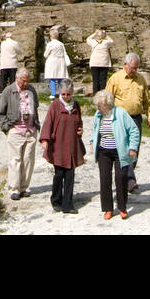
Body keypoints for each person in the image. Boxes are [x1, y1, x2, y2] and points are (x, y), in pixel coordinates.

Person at [90, 89, 140, 220]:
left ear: (107, 105)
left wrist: (133, 147)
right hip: (103, 151)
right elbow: (95, 130)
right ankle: (107, 209)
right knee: (105, 179)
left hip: (120, 151)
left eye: (100, 105)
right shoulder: (98, 115)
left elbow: (134, 130)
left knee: (121, 178)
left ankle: (122, 208)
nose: (98, 108)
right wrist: (92, 141)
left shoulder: (121, 113)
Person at [106, 53, 150, 192]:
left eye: (136, 68)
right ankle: (129, 180)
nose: (134, 70)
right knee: (123, 147)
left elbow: (147, 100)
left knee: (134, 148)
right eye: (132, 68)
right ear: (125, 65)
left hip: (136, 118)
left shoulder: (141, 79)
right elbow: (107, 99)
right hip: (119, 118)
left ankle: (126, 177)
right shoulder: (115, 78)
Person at [39, 77, 84, 214]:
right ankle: (56, 200)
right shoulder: (55, 105)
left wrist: (80, 130)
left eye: (68, 94)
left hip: (71, 145)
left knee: (70, 175)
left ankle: (68, 204)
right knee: (59, 174)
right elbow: (48, 123)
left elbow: (79, 122)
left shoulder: (76, 106)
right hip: (58, 145)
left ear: (72, 93)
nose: (66, 97)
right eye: (63, 94)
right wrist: (45, 140)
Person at [0, 67, 39, 200]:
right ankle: (14, 189)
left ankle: (24, 187)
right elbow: (0, 112)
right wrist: (7, 127)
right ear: (17, 79)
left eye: (27, 81)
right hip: (15, 130)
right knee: (15, 160)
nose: (26, 84)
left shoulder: (32, 90)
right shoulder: (8, 91)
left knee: (28, 160)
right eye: (24, 81)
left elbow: (35, 106)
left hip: (31, 130)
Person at [43, 26, 69, 99]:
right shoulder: (61, 44)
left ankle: (53, 93)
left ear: (51, 36)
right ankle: (61, 93)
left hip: (52, 61)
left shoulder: (50, 44)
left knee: (52, 78)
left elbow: (45, 55)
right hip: (60, 61)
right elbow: (64, 53)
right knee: (60, 78)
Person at [86, 28, 114, 94]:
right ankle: (102, 94)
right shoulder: (106, 42)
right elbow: (112, 41)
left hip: (94, 63)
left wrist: (94, 34)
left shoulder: (93, 42)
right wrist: (106, 35)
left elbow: (88, 39)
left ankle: (95, 94)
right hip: (104, 63)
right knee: (103, 80)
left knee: (95, 80)